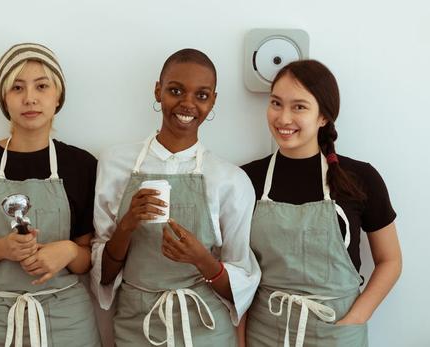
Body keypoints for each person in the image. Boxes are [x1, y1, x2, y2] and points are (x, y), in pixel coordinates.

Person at [91, 48, 261, 346]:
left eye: (202, 95)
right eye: (175, 90)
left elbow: (240, 284)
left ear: (213, 102)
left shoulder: (230, 179)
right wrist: (127, 225)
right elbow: (104, 277)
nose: (187, 104)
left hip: (205, 330)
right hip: (137, 328)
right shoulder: (115, 163)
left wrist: (201, 259)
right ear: (158, 91)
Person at [0, 43, 101, 347]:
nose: (30, 98)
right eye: (17, 87)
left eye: (42, 86)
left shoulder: (82, 165)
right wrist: (0, 249)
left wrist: (68, 250)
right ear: (5, 99)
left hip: (67, 324)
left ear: (58, 96)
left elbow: (90, 257)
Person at [241, 59, 402, 347]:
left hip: (336, 333)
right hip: (264, 332)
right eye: (276, 103)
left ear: (324, 116)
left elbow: (390, 260)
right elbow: (237, 271)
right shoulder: (246, 179)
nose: (283, 118)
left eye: (299, 107)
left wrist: (357, 317)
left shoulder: (360, 178)